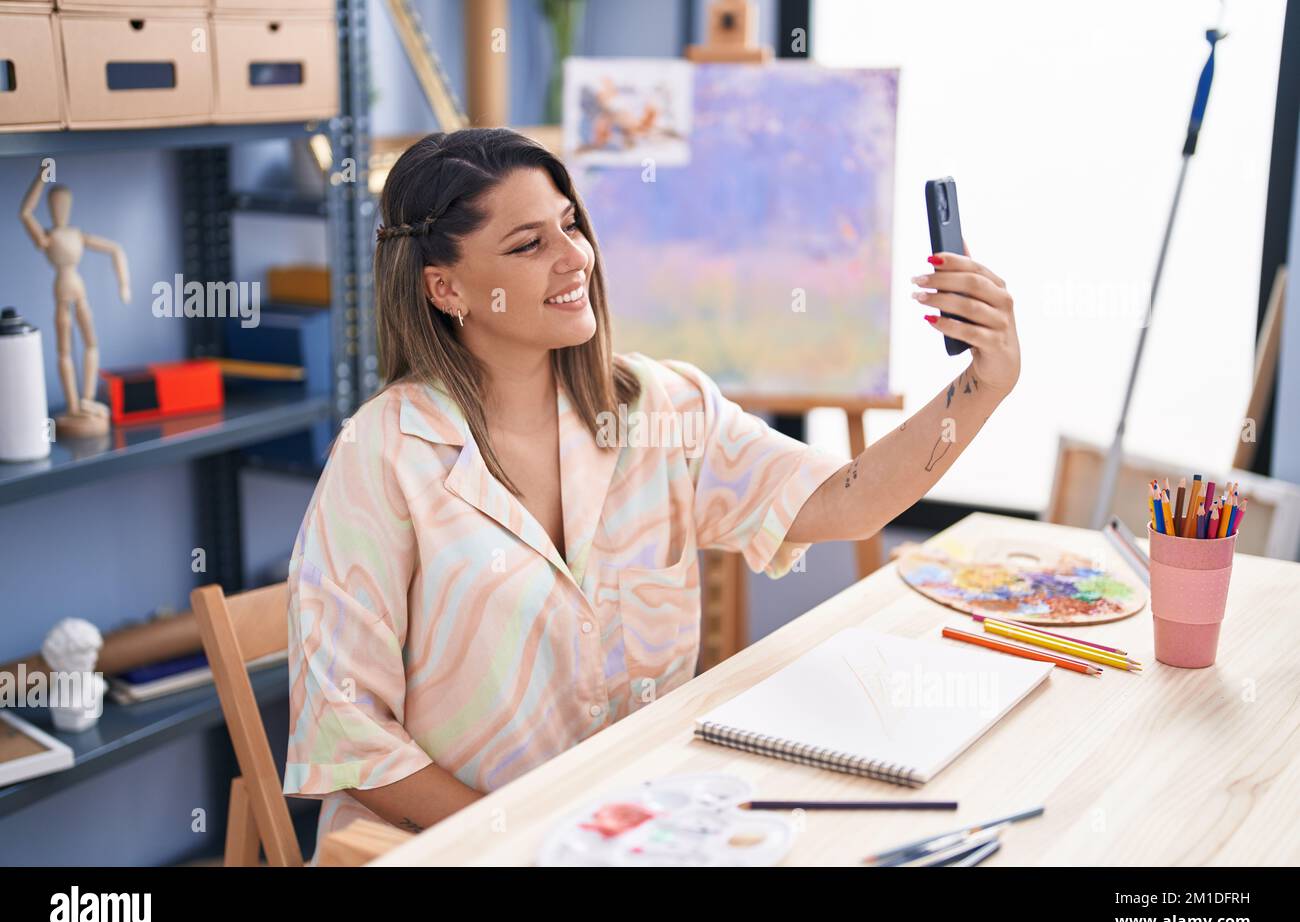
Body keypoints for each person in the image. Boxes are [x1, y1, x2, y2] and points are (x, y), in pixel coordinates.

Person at [283, 128, 1020, 862]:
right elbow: (353, 739)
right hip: (449, 847)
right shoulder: (382, 456)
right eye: (528, 244)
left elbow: (845, 501)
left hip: (634, 832)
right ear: (444, 286)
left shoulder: (657, 406)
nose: (576, 257)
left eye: (570, 224)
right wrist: (527, 840)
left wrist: (982, 385)